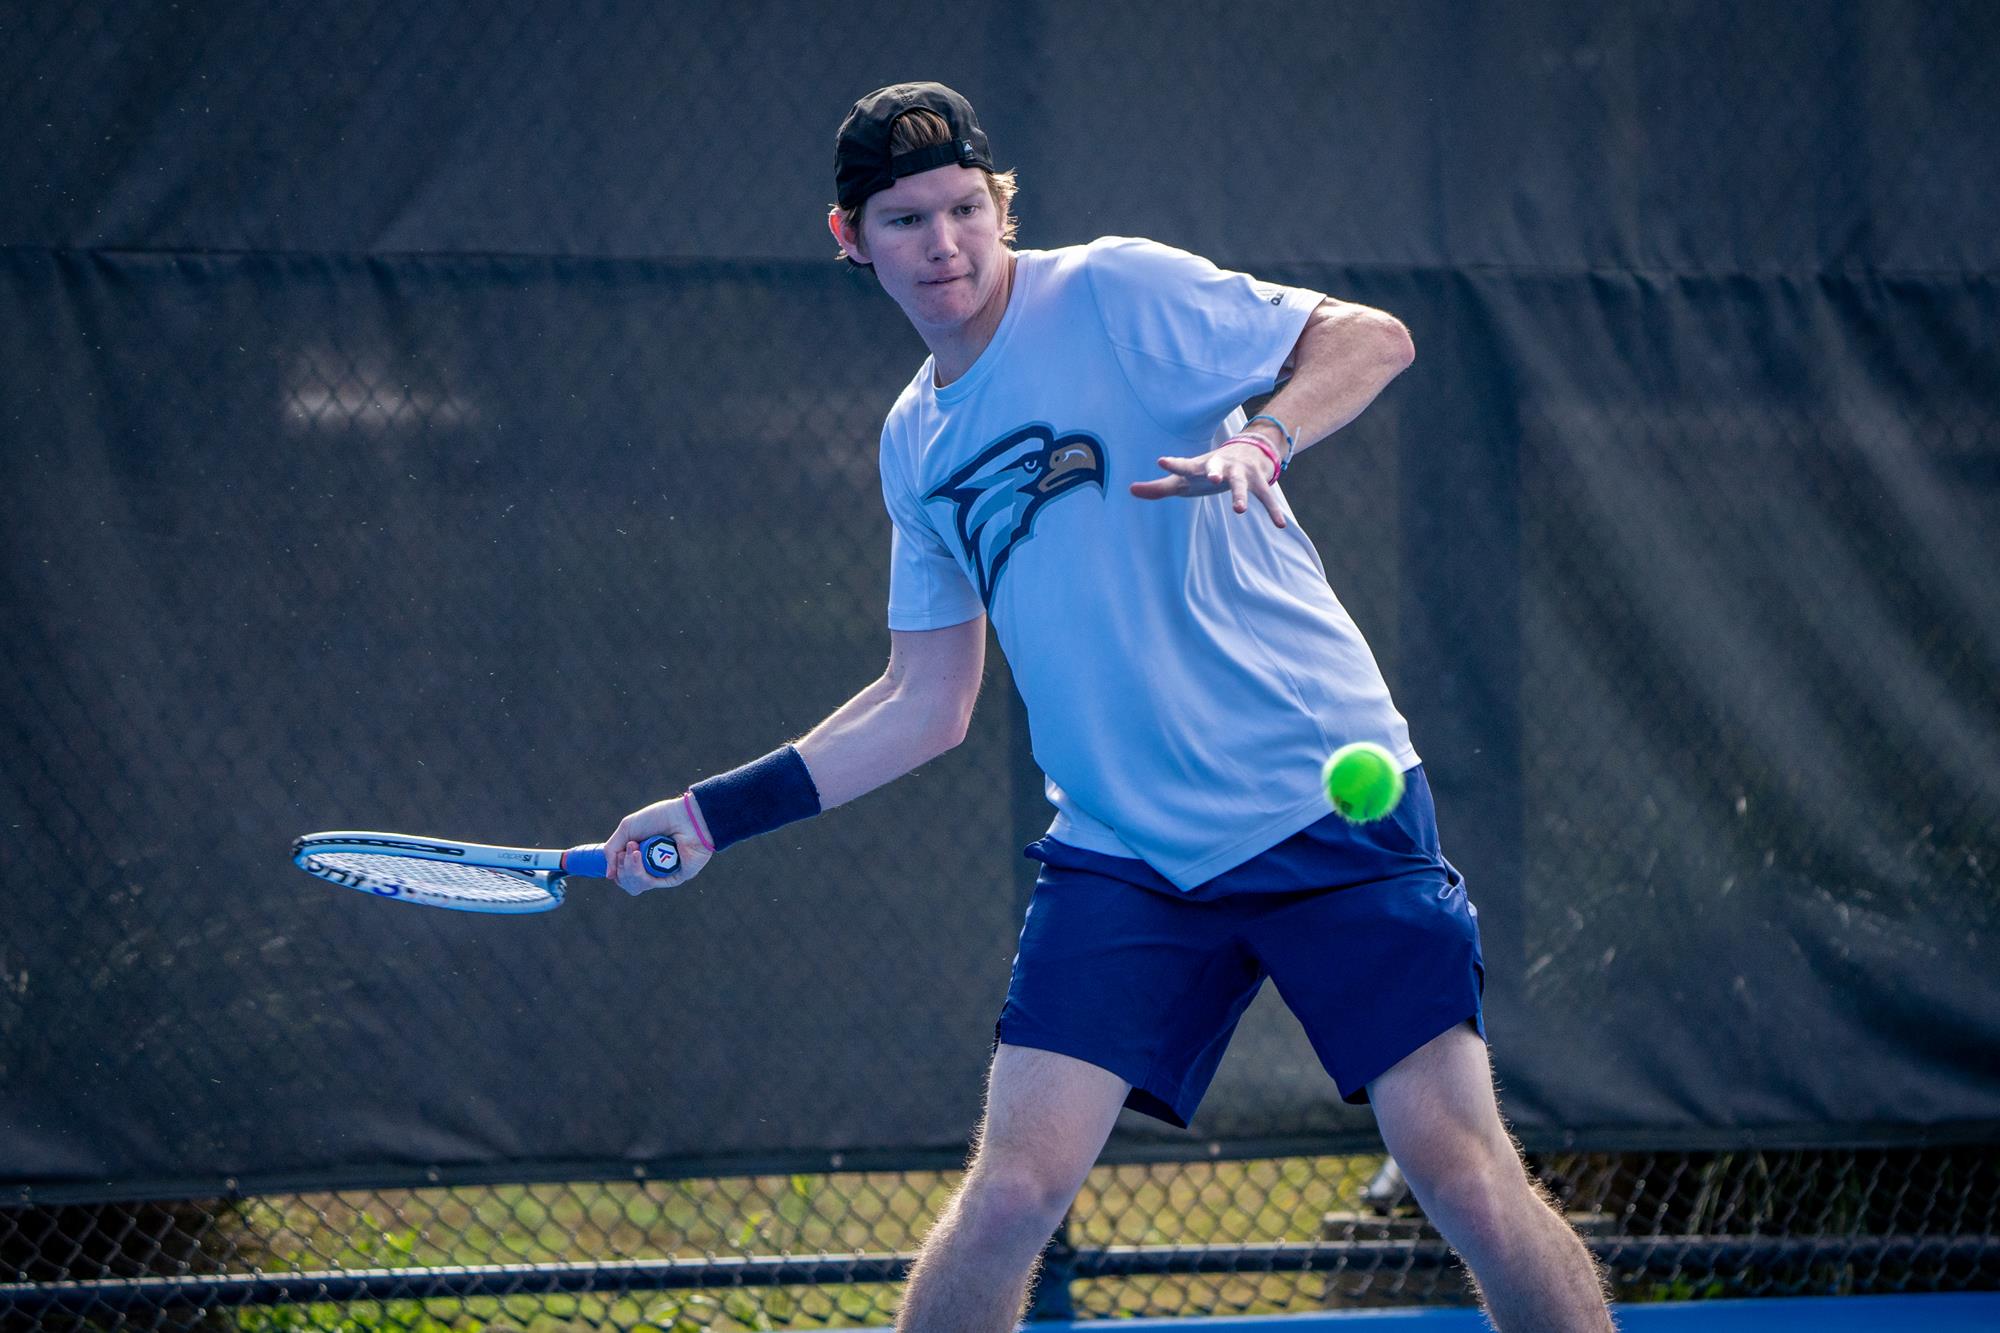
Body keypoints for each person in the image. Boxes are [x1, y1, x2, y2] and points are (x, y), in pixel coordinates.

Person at [603, 82, 1615, 1333]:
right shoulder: (914, 443)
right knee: (1008, 1195)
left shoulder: (1115, 294)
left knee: (1459, 1173)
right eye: (906, 219)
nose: (944, 244)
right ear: (848, 237)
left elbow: (1372, 338)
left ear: (1000, 205)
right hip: (1126, 851)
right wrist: (711, 817)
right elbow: (924, 702)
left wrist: (1262, 441)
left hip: (1317, 802)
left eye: (965, 209)